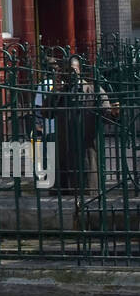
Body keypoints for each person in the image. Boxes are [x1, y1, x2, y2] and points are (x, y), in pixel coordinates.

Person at [47, 54, 120, 192]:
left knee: (87, 187)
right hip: (65, 147)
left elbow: (107, 116)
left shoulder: (94, 90)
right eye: (67, 71)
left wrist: (114, 112)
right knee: (65, 189)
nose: (71, 74)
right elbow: (47, 113)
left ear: (79, 70)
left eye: (74, 70)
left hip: (86, 146)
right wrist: (55, 91)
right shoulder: (61, 92)